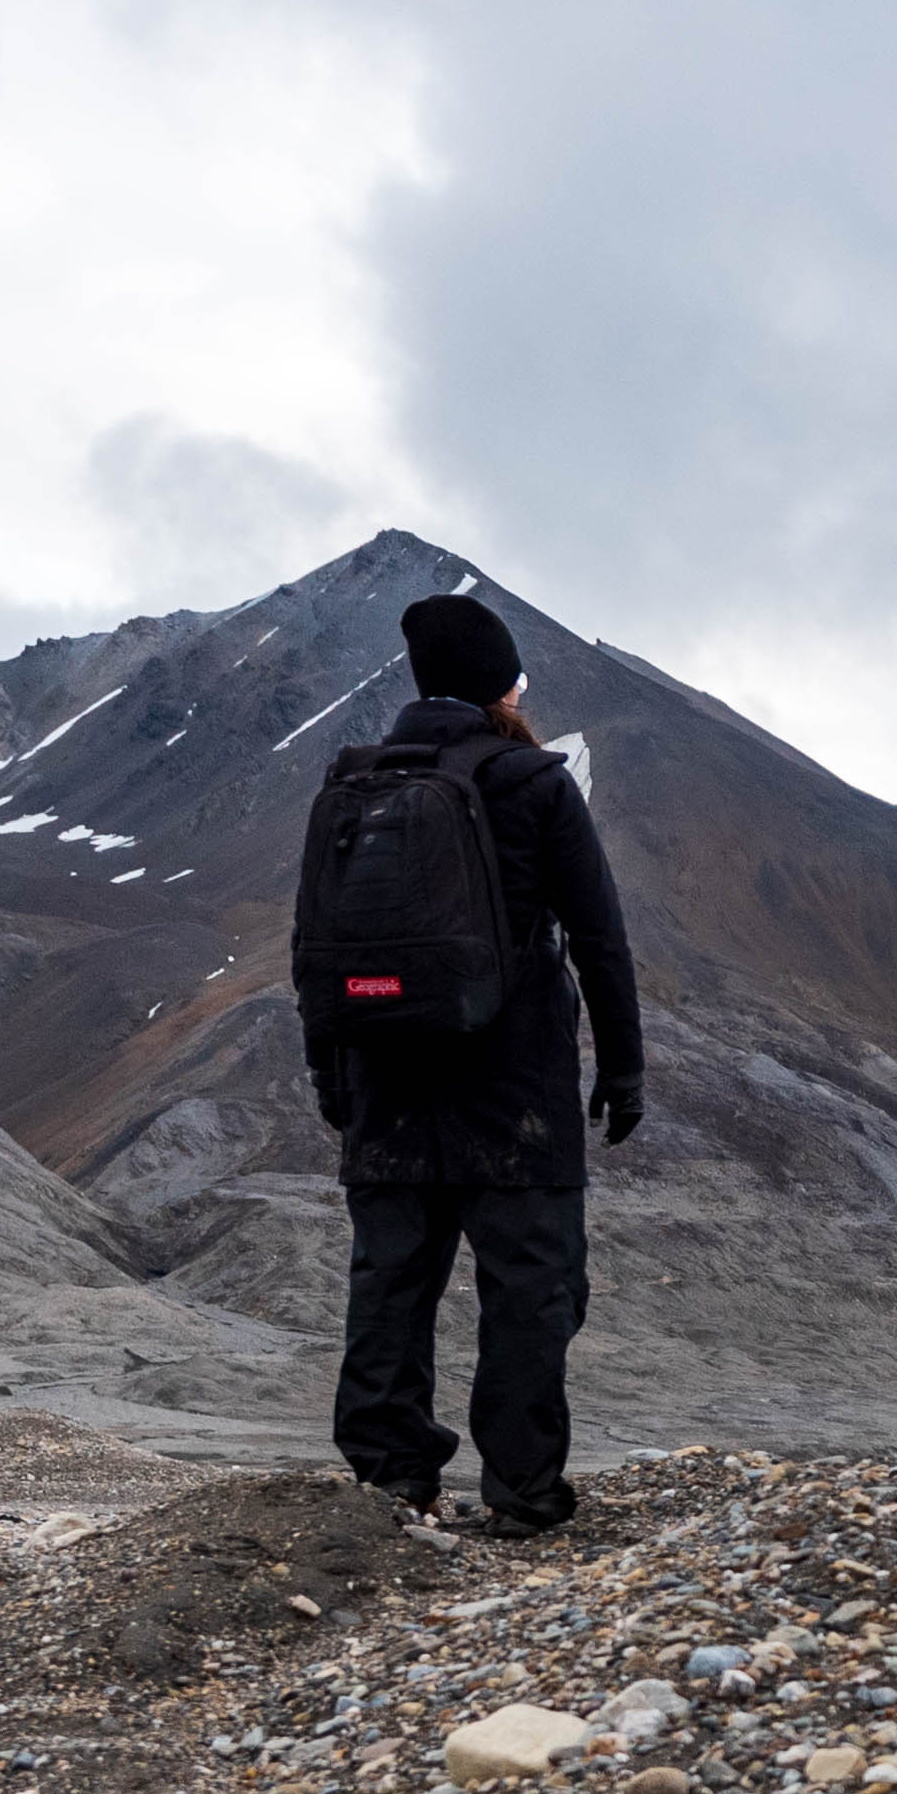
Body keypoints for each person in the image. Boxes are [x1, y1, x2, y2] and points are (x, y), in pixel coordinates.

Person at [312, 591, 643, 1531]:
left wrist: (329, 1074)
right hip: (515, 1091)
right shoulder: (534, 784)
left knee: (391, 1282)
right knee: (530, 1292)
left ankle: (391, 1482)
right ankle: (523, 1494)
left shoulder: (351, 786)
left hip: (385, 1080)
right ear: (501, 687)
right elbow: (600, 940)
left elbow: (314, 944)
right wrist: (621, 1072)